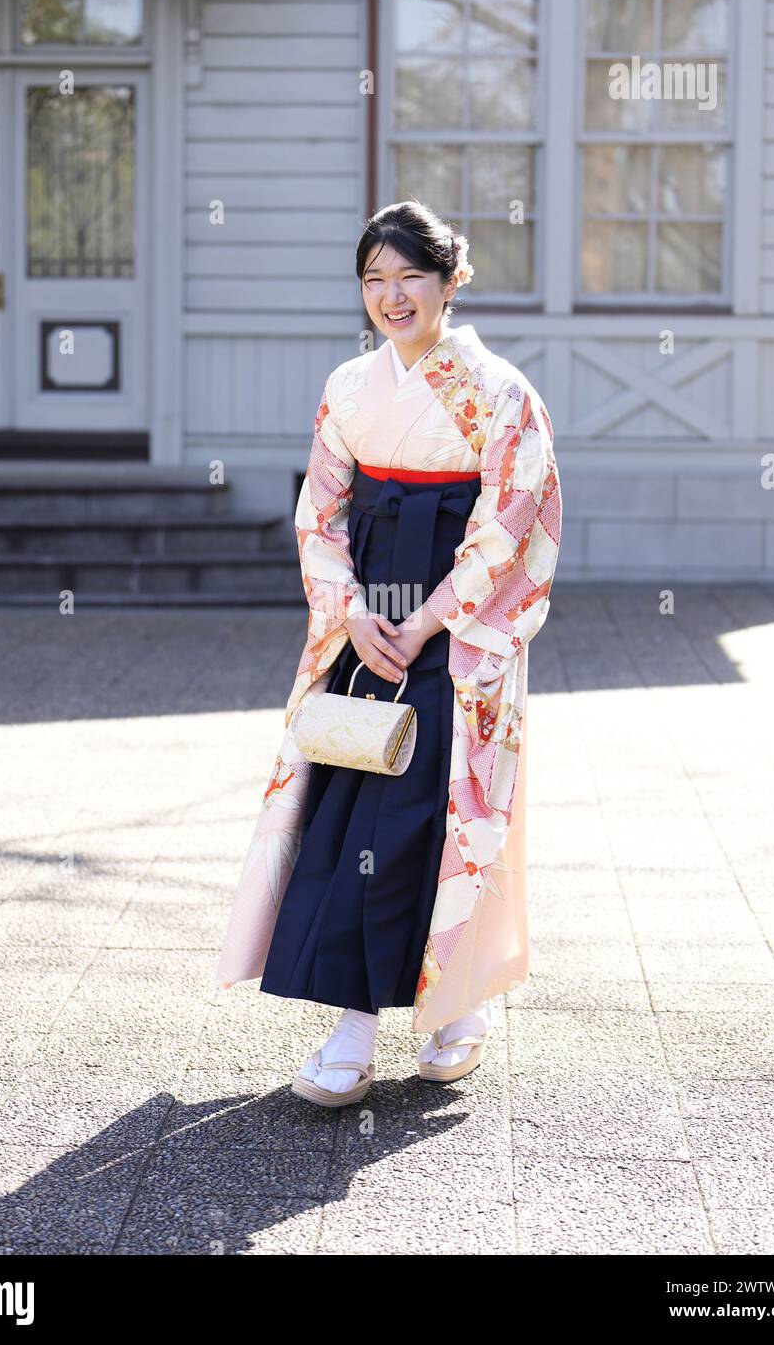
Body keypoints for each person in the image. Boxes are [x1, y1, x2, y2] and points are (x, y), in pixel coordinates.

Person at [216, 200, 562, 1106]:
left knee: (435, 821)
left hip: (453, 638)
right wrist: (353, 609)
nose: (392, 295)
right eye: (375, 278)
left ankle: (455, 1007)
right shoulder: (348, 386)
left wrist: (431, 619)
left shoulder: (501, 394)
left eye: (411, 275)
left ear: (451, 282)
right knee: (347, 820)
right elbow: (320, 511)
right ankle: (355, 1023)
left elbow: (512, 524)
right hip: (366, 631)